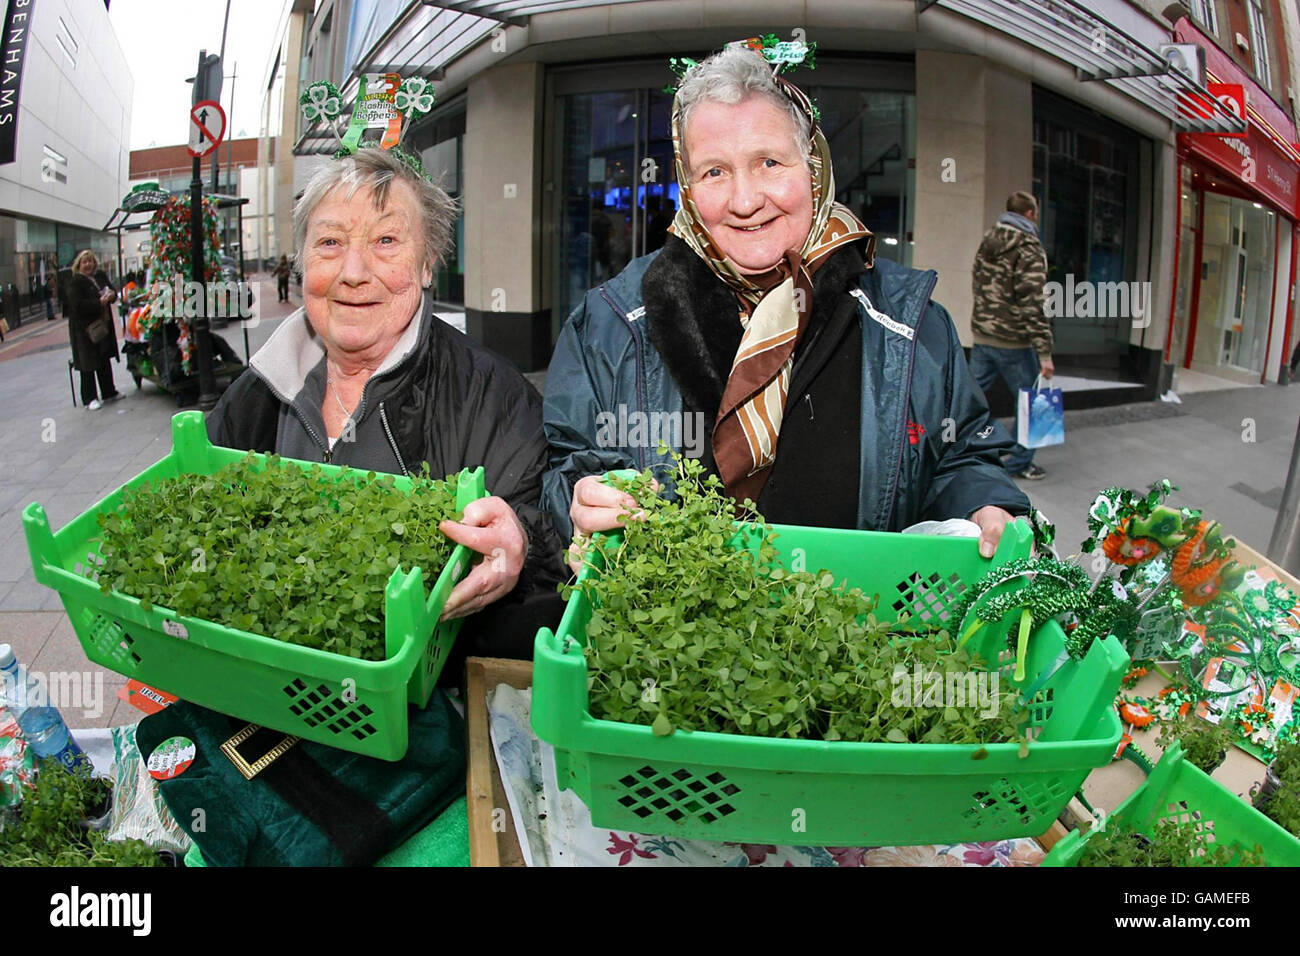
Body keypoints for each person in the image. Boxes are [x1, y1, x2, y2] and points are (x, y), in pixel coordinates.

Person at [543, 46, 1031, 571]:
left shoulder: (909, 323)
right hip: (671, 648)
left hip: (864, 636)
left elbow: (959, 456)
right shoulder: (612, 322)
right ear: (687, 187)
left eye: (769, 163)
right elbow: (562, 467)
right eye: (714, 172)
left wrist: (984, 504)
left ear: (814, 169)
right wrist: (576, 501)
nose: (746, 199)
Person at [206, 147, 563, 641]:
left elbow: (554, 550)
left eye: (386, 240)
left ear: (426, 265)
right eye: (329, 242)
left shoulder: (495, 398)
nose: (353, 271)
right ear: (301, 263)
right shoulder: (254, 393)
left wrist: (522, 543)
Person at [969, 191, 1054, 481]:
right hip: (1014, 342)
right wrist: (1044, 352)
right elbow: (1033, 303)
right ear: (1030, 214)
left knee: (967, 397)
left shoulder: (989, 239)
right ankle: (1020, 462)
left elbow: (977, 283)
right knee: (1034, 402)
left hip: (982, 337)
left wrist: (984, 321)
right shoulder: (1029, 247)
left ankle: (955, 449)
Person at [67, 250, 122, 410]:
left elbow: (113, 292)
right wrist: (99, 303)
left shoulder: (100, 276)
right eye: (84, 262)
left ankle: (109, 391)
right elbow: (77, 306)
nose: (88, 264)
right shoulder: (75, 282)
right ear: (79, 265)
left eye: (90, 261)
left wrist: (111, 296)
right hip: (85, 329)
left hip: (102, 325)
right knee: (88, 363)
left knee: (103, 357)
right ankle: (89, 397)